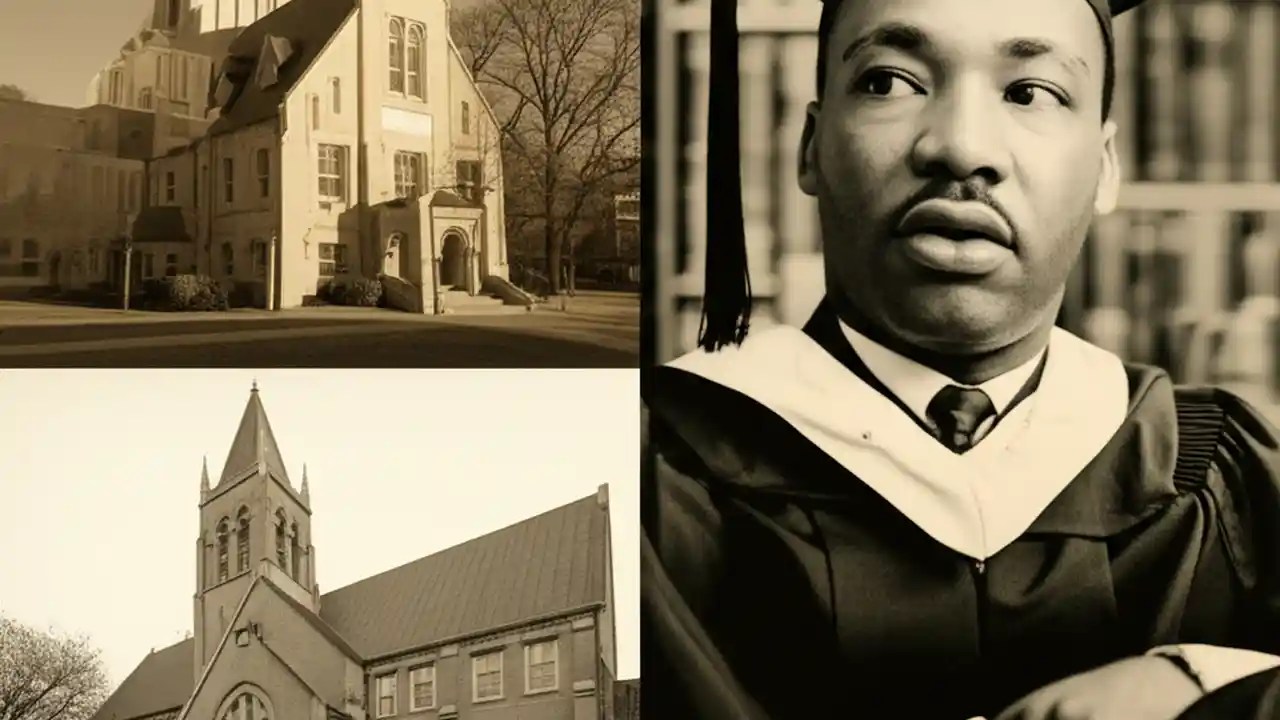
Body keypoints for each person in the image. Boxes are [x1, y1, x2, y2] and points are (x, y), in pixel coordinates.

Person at [641, 0, 1280, 718]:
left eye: (1029, 92)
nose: (962, 147)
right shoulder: (661, 468)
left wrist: (1211, 678)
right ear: (810, 148)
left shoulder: (1227, 479)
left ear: (1104, 168)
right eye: (889, 82)